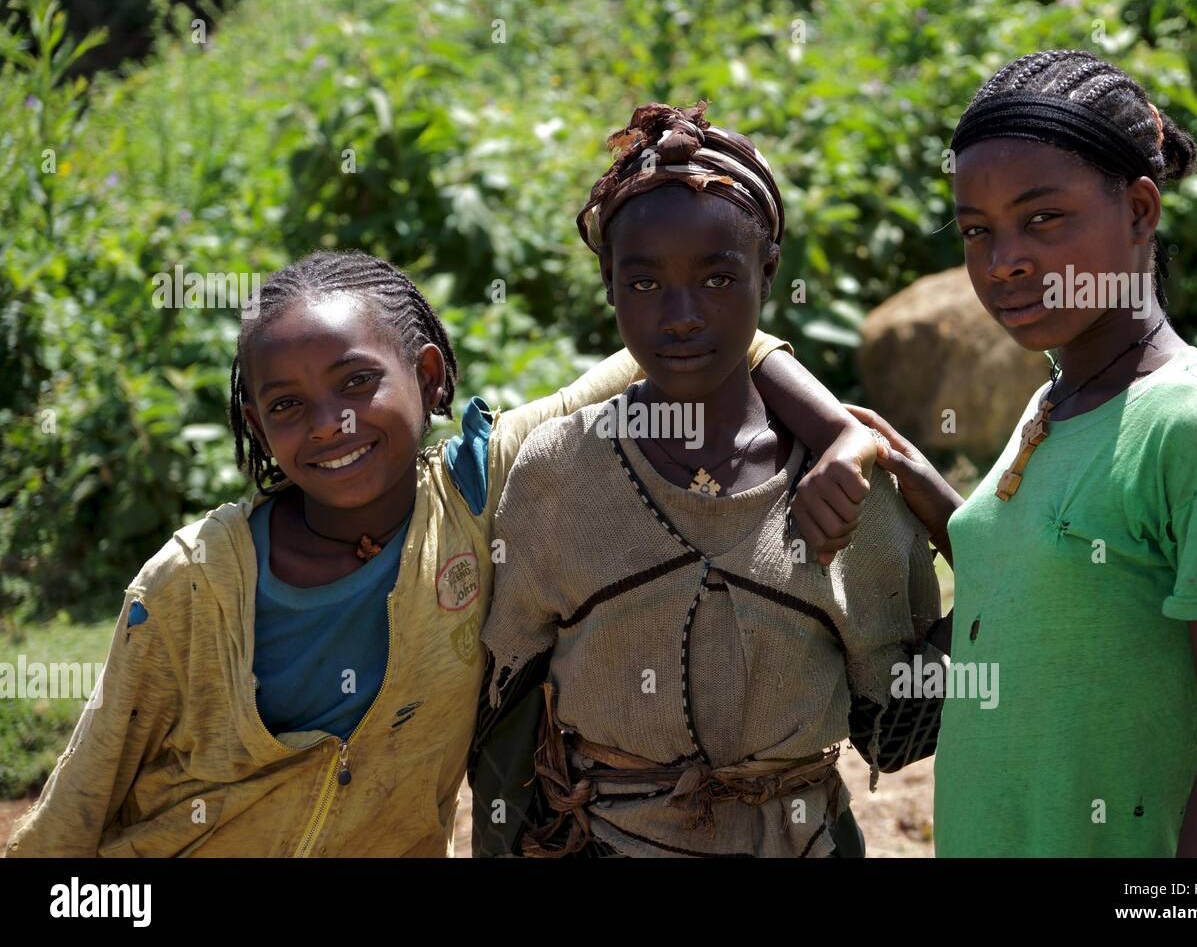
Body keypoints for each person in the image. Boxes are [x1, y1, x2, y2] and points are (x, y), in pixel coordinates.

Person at [5, 249, 814, 857]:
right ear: (257, 428)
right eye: (287, 404)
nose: (329, 422)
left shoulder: (474, 496)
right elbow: (77, 806)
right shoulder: (193, 584)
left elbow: (675, 348)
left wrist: (839, 430)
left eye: (357, 383)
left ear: (429, 378)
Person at [853, 51, 1197, 856]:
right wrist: (938, 500)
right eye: (977, 231)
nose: (1004, 260)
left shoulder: (1195, 425)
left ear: (1138, 209)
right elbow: (1064, 587)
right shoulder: (1059, 396)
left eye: (1042, 218)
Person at [472, 102, 945, 858]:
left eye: (719, 278)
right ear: (609, 286)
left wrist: (970, 559)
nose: (682, 315)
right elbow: (506, 710)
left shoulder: (847, 491)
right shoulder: (561, 474)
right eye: (645, 284)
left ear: (768, 271)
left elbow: (894, 729)